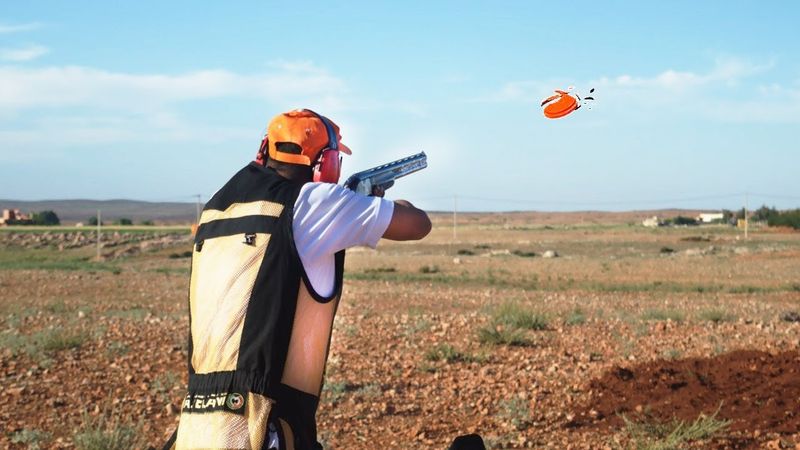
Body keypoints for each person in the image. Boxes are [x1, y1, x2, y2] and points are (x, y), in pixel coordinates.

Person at [163, 108, 431, 450]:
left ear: (265, 150)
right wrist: (363, 201)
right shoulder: (313, 202)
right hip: (265, 429)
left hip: (199, 426)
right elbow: (418, 224)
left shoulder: (218, 207)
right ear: (326, 164)